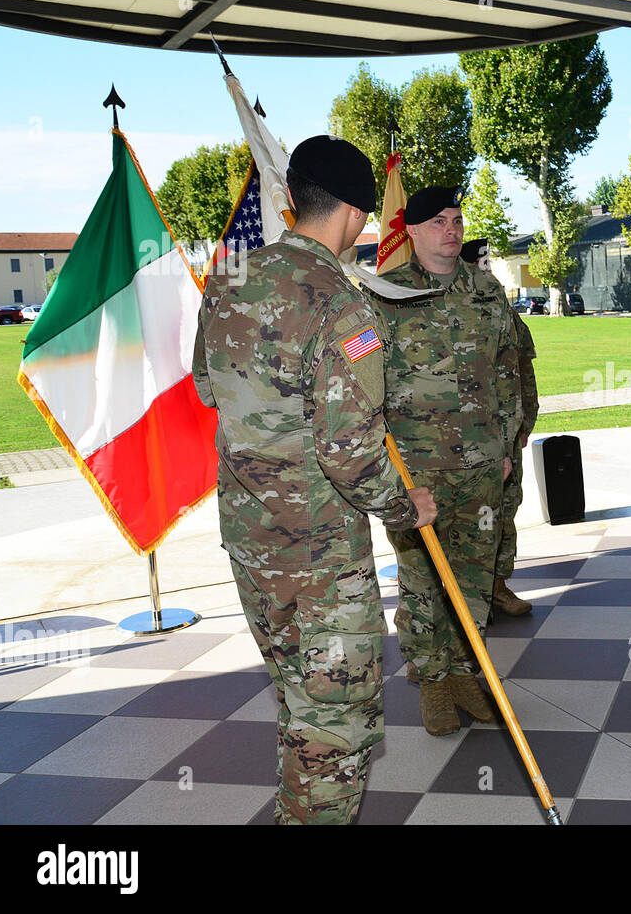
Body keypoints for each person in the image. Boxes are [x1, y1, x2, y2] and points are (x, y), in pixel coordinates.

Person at [192, 135, 436, 824]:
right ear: (358, 213)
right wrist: (404, 504)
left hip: (250, 539)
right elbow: (350, 452)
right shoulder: (342, 304)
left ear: (292, 197)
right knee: (335, 724)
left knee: (299, 698)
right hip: (320, 555)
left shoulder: (230, 277)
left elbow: (208, 388)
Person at [368, 188, 521, 736]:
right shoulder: (384, 295)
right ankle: (432, 681)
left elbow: (507, 368)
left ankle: (462, 672)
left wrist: (505, 444)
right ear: (410, 230)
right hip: (417, 470)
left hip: (482, 463)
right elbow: (362, 383)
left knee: (475, 576)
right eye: (437, 221)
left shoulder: (486, 290)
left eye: (457, 220)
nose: (451, 230)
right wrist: (383, 469)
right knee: (422, 578)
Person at [461, 238, 537, 617]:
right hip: (474, 438)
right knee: (475, 519)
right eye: (481, 264)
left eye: (489, 264)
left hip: (508, 432)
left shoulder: (501, 308)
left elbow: (523, 367)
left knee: (505, 511)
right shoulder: (460, 314)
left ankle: (497, 585)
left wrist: (527, 419)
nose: (488, 269)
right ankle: (469, 593)